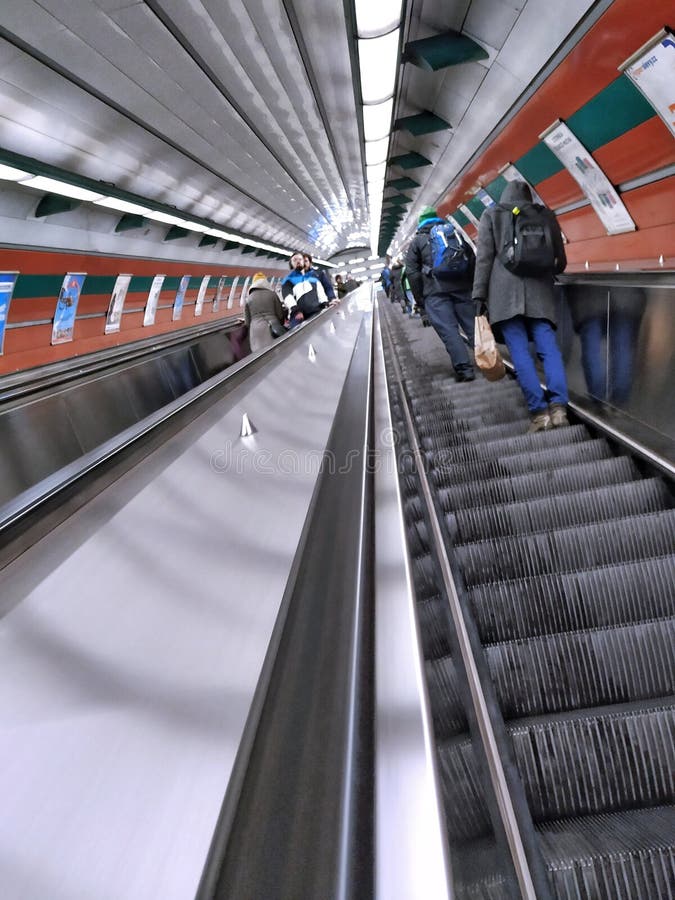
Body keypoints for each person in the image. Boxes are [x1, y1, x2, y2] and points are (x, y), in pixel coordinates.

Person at [472, 180, 568, 432]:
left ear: (504, 195)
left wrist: (479, 295)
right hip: (541, 292)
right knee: (548, 348)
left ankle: (540, 414)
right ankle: (559, 408)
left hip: (504, 294)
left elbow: (484, 258)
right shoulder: (545, 215)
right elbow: (561, 259)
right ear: (529, 196)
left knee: (520, 353)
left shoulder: (492, 214)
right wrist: (545, 271)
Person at [406, 206, 476, 382]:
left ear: (421, 222)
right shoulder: (453, 232)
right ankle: (490, 360)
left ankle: (465, 369)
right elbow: (471, 257)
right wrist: (470, 283)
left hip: (435, 292)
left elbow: (412, 273)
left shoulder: (417, 241)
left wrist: (420, 299)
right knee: (473, 327)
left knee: (449, 330)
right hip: (462, 287)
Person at [281, 251, 328, 326]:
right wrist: (296, 310)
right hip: (298, 316)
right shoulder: (288, 280)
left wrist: (325, 304)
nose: (298, 261)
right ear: (291, 264)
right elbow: (287, 296)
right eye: (295, 260)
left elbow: (321, 293)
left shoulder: (313, 277)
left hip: (316, 311)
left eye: (300, 259)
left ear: (304, 262)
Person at [244, 273, 286, 350]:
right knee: (276, 351)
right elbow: (280, 314)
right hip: (273, 325)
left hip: (256, 330)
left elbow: (247, 323)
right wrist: (280, 324)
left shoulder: (248, 299)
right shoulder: (273, 294)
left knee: (259, 354)